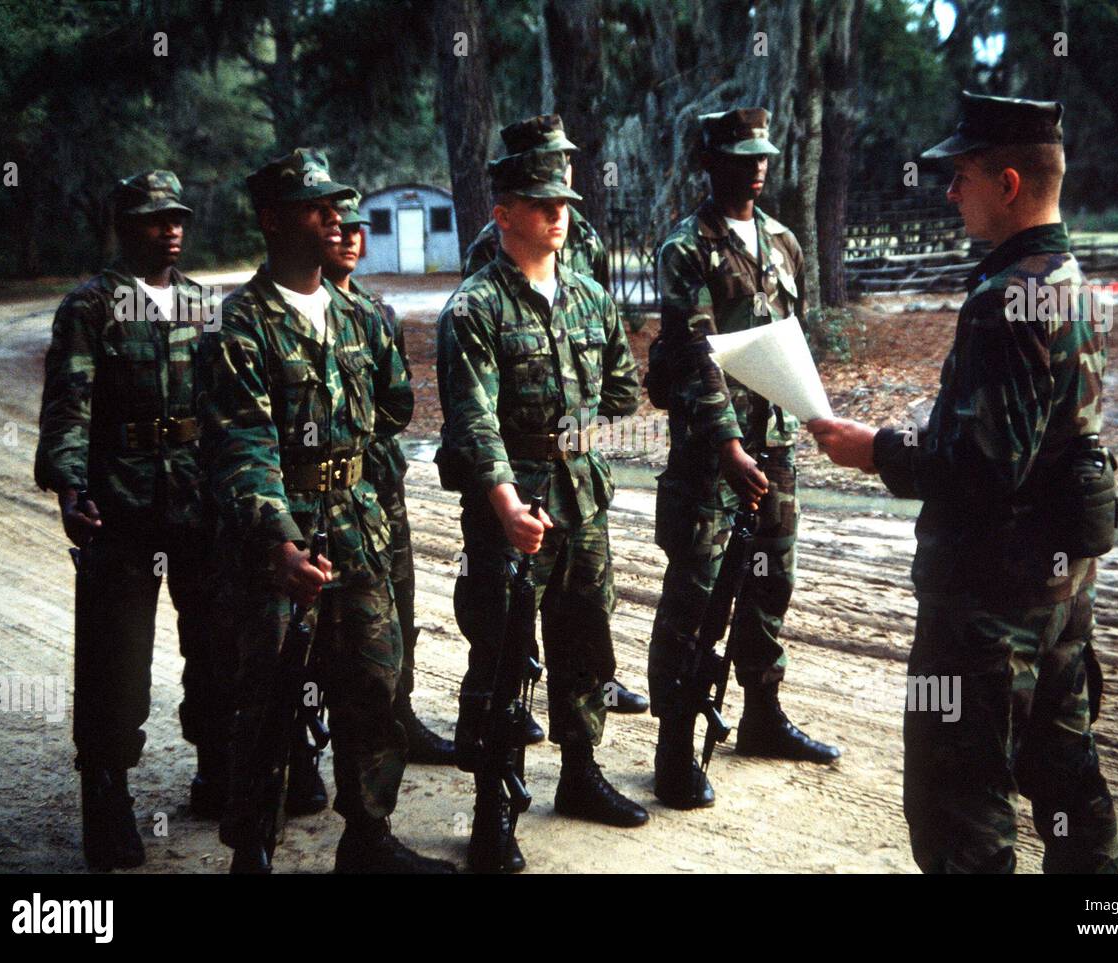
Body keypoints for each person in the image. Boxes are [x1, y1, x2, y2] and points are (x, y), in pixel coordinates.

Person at [809, 92, 1118, 873]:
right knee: (1068, 788)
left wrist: (873, 448)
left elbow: (981, 471)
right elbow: (1037, 442)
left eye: (964, 176)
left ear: (1008, 184)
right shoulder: (1072, 279)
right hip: (1060, 597)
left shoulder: (1002, 300)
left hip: (986, 612)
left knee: (959, 818)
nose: (950, 192)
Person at [197, 148, 452, 873]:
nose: (335, 217)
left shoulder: (359, 315)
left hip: (356, 528)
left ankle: (367, 838)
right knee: (268, 700)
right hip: (277, 544)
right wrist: (278, 543)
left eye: (337, 204)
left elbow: (392, 407)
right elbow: (242, 447)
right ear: (274, 219)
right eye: (317, 206)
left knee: (375, 683)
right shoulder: (240, 326)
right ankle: (253, 848)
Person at [437, 147, 647, 873]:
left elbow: (623, 389)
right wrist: (503, 502)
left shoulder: (591, 296)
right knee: (503, 658)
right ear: (502, 214)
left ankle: (581, 774)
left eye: (564, 202)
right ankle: (493, 810)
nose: (558, 213)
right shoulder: (476, 305)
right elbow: (473, 420)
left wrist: (578, 435)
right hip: (512, 504)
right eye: (540, 203)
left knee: (586, 640)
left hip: (581, 499)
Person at [35, 170, 230, 870]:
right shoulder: (91, 306)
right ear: (125, 226)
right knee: (116, 658)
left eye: (175, 217)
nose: (170, 228)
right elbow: (69, 402)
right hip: (120, 505)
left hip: (195, 499)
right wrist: (69, 485)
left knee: (213, 640)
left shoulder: (198, 301)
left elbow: (221, 401)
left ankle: (216, 770)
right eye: (153, 219)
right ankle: (108, 795)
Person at [648, 108, 841, 812]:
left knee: (770, 583)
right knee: (696, 597)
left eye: (763, 153)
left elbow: (790, 337)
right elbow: (695, 353)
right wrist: (728, 443)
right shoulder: (685, 248)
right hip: (710, 454)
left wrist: (810, 416)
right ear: (711, 160)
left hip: (776, 445)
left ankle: (762, 714)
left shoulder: (784, 242)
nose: (758, 165)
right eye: (742, 155)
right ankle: (674, 745)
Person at [321, 196, 458, 766]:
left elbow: (398, 403)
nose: (352, 238)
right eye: (339, 229)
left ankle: (398, 717)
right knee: (315, 625)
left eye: (359, 228)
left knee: (395, 605)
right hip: (317, 495)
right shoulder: (284, 313)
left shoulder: (378, 313)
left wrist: (362, 432)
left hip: (379, 484)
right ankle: (302, 751)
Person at [461, 115, 615, 300]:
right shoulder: (490, 244)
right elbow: (474, 307)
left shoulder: (586, 238)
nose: (561, 170)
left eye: (565, 159)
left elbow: (604, 307)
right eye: (549, 160)